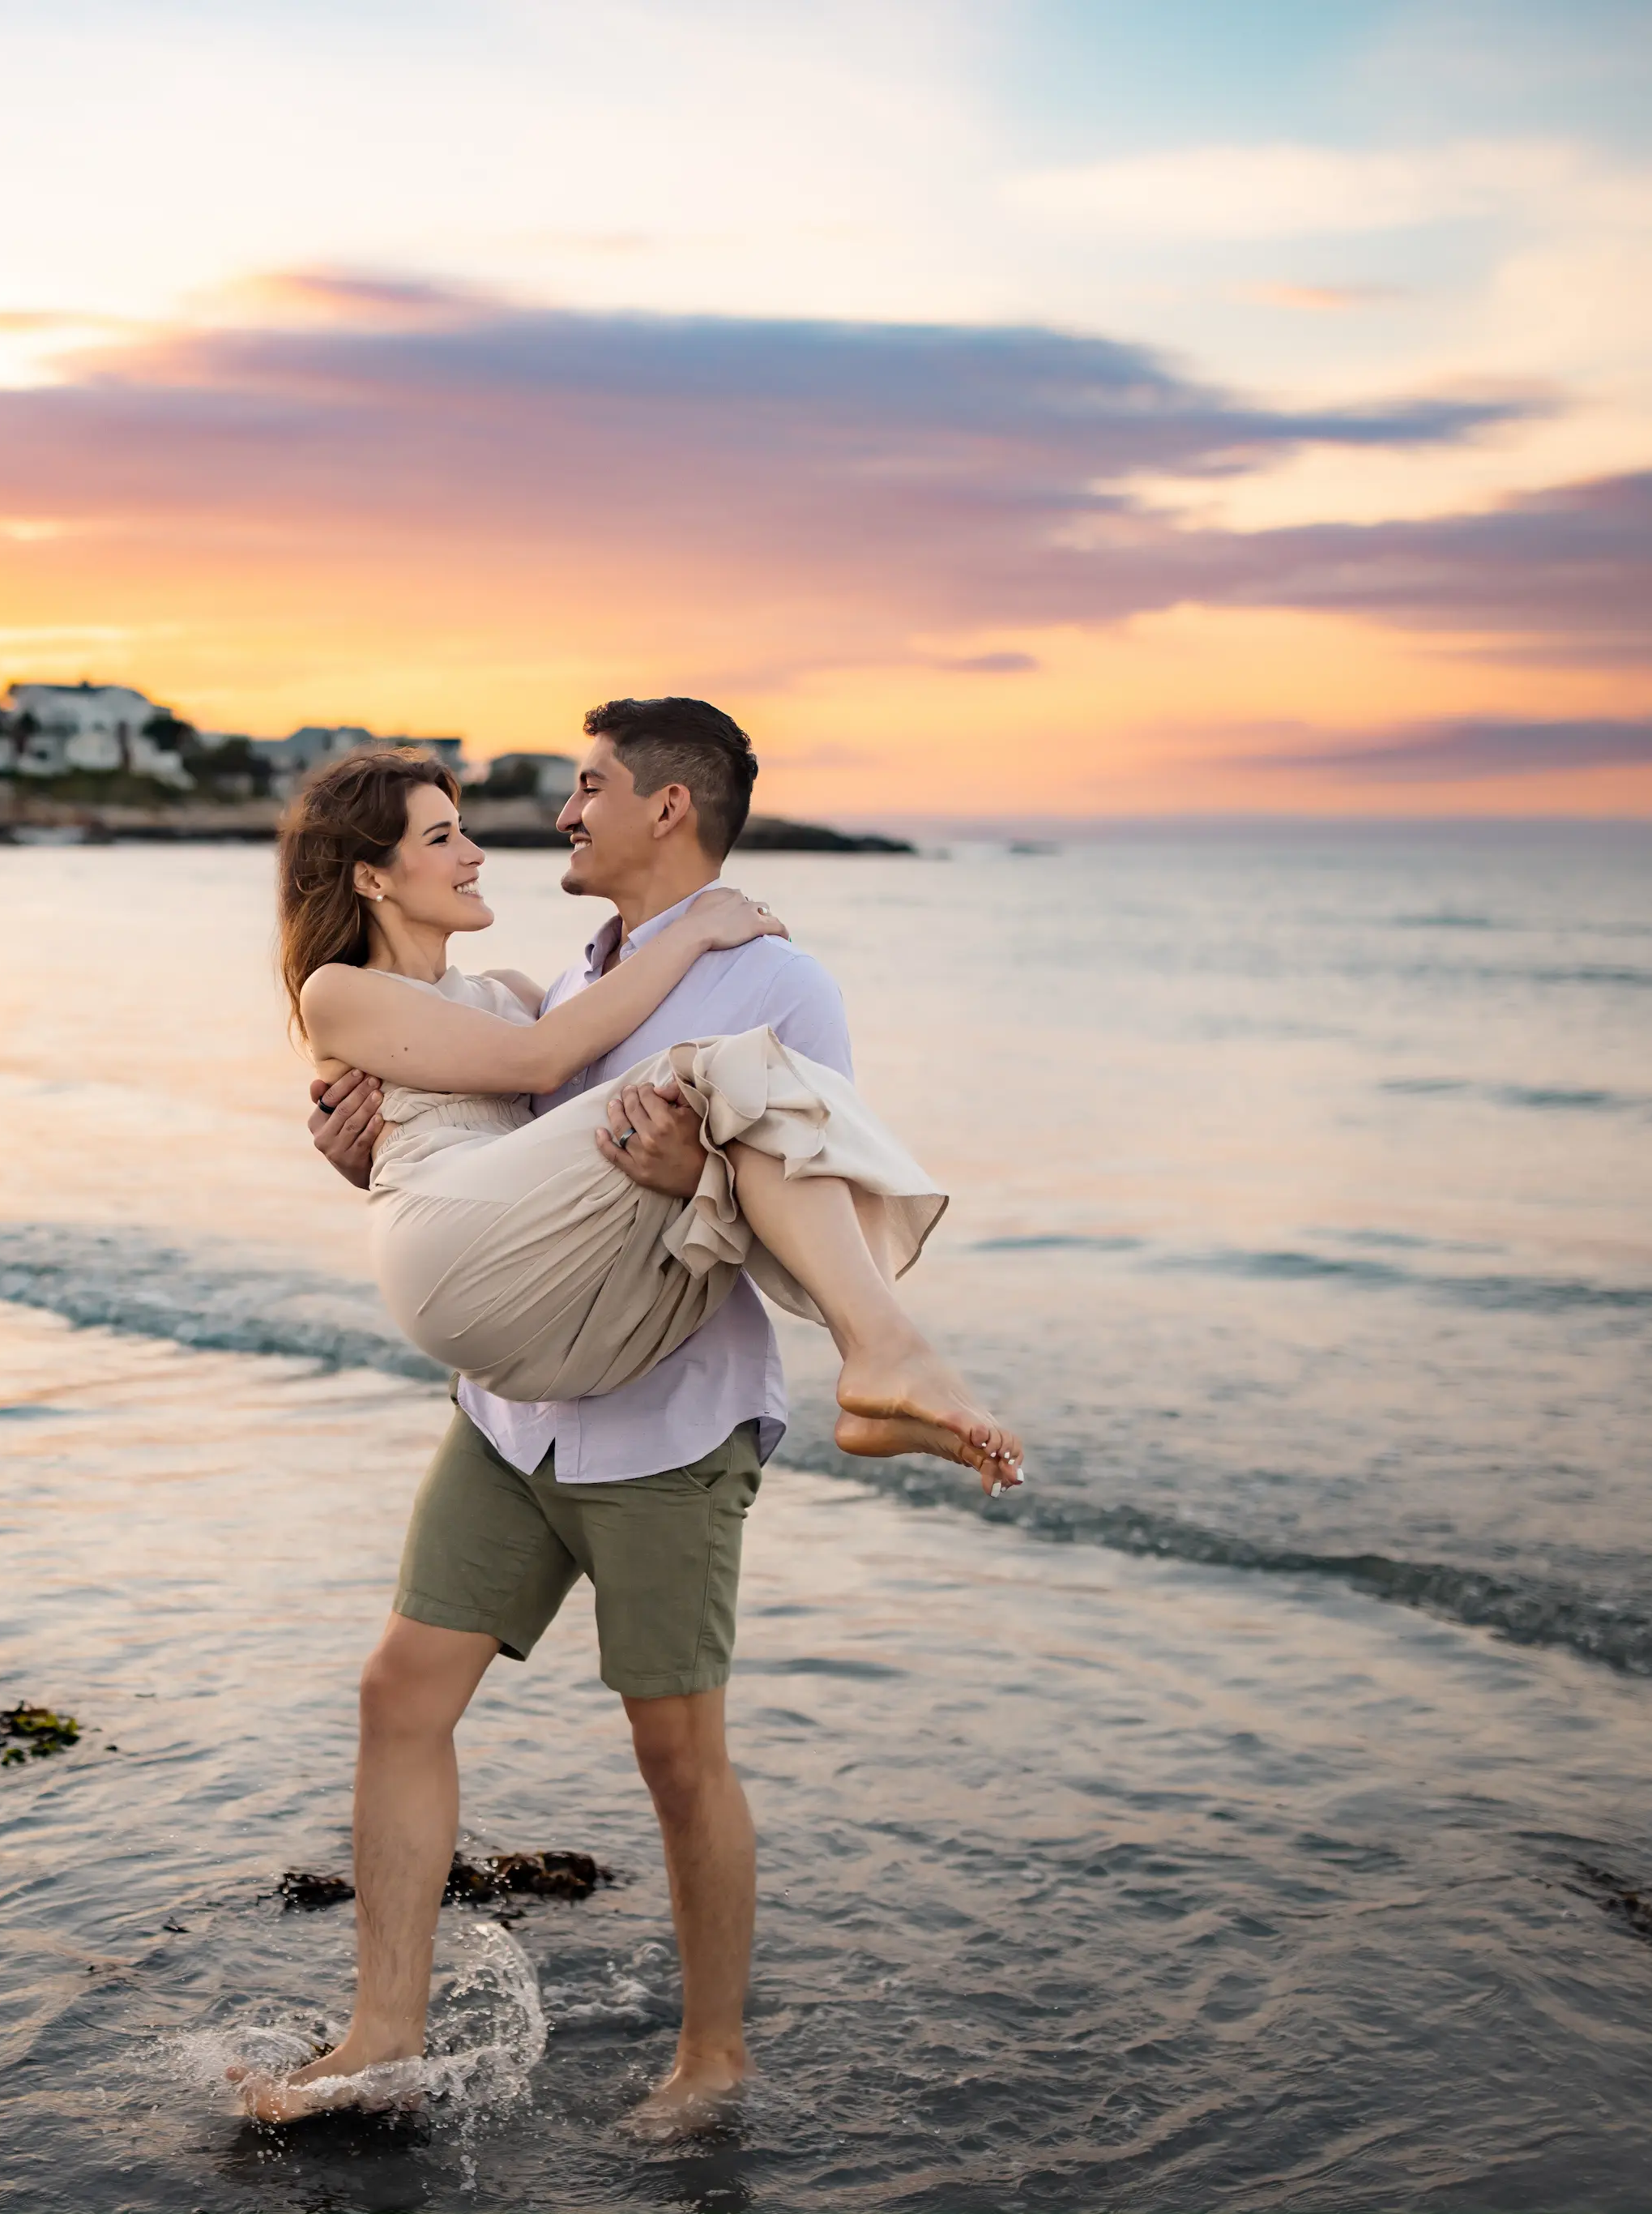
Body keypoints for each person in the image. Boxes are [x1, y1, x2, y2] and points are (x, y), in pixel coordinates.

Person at [238, 699, 1019, 2134]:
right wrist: (373, 1150)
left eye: (585, 786)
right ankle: (378, 2033)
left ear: (666, 806)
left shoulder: (778, 981)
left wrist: (689, 1172)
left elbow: (801, 1212)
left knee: (676, 1756)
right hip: (515, 1415)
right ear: (372, 874)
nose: (547, 818)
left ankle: (713, 2063)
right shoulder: (558, 984)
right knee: (398, 1694)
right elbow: (512, 1158)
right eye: (450, 831)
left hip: (665, 1423)